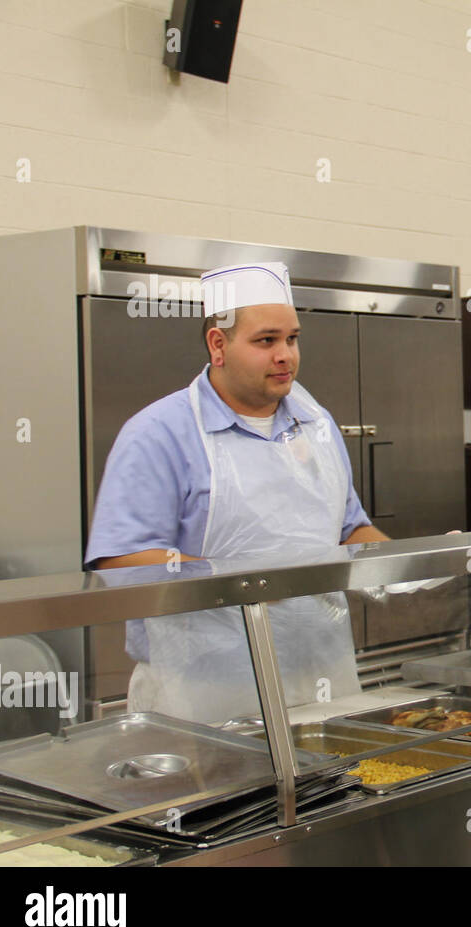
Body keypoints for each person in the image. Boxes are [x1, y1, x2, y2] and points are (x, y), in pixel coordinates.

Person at [85, 261, 389, 723]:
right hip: (202, 694)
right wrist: (247, 581)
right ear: (218, 344)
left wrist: (413, 564)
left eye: (292, 338)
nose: (285, 355)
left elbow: (351, 531)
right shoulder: (158, 433)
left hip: (322, 680)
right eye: (266, 341)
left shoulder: (316, 425)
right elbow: (121, 560)